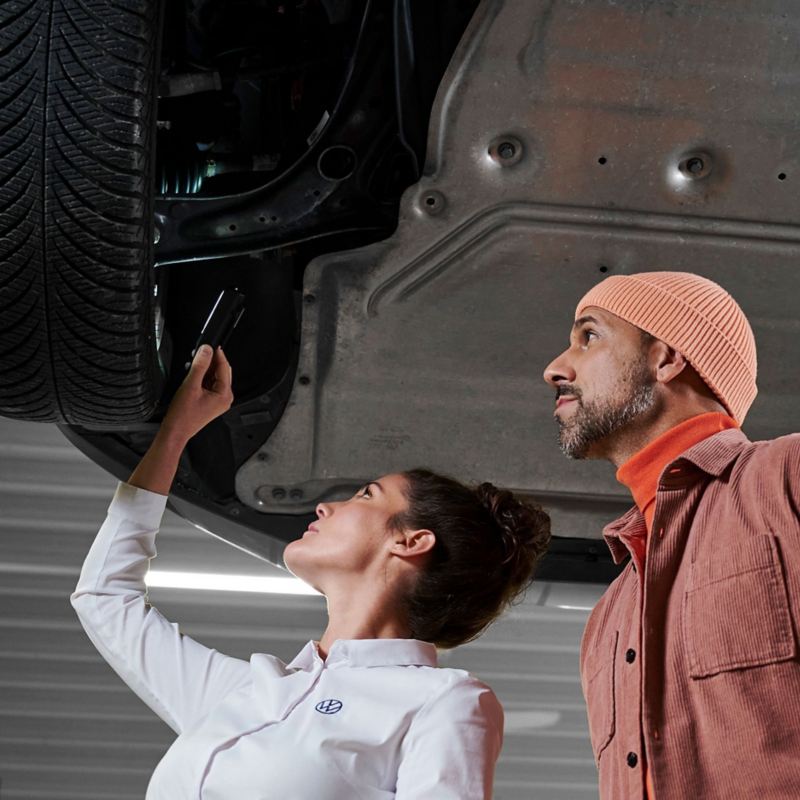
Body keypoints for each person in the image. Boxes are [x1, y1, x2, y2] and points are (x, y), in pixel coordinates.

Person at [71, 344, 551, 799]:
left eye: (365, 495)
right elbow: (105, 598)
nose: (324, 506)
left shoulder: (441, 701)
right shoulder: (244, 693)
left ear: (411, 541)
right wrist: (177, 432)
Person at [542, 270, 800, 800]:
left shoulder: (788, 478)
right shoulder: (610, 617)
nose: (554, 369)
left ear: (666, 358)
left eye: (588, 336)